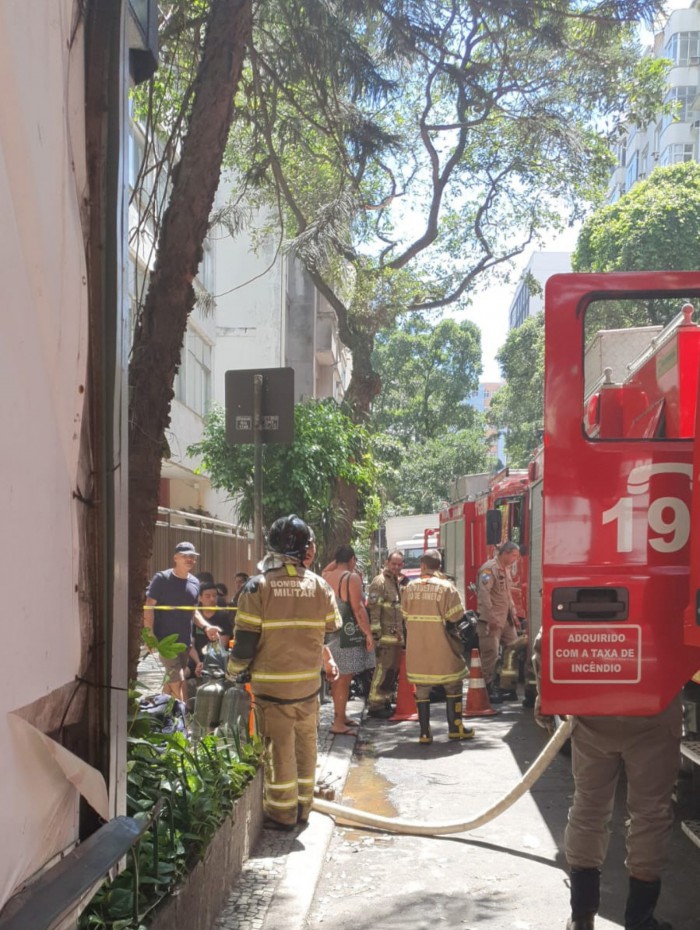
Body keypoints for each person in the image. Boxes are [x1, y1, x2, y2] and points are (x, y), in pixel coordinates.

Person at [226, 514, 340, 831]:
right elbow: (331, 629)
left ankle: (282, 813)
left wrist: (233, 671)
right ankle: (304, 807)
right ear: (305, 549)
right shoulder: (319, 585)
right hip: (308, 687)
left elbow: (245, 643)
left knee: (279, 754)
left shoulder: (256, 588)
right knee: (306, 747)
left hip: (272, 690)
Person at [402, 549, 474, 743]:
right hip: (443, 648)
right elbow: (456, 618)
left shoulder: (409, 588)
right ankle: (455, 728)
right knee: (453, 685)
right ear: (439, 567)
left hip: (417, 649)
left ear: (423, 566)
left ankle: (425, 733)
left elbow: (405, 616)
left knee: (422, 689)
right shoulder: (447, 588)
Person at [144, 541, 221, 702]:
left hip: (184, 642)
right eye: (185, 556)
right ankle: (183, 717)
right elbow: (148, 606)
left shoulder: (194, 582)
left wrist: (206, 627)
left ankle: (161, 715)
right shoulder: (162, 578)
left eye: (192, 556)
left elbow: (193, 612)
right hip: (165, 641)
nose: (189, 559)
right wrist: (149, 635)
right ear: (175, 558)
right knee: (177, 678)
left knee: (171, 683)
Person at [323, 546, 375, 735]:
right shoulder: (351, 578)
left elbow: (329, 567)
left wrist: (339, 560)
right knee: (343, 678)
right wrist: (368, 633)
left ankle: (341, 715)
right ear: (352, 559)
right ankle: (338, 722)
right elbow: (358, 609)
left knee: (339, 678)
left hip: (331, 633)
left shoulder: (326, 576)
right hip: (346, 634)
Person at [475, 540, 521, 704]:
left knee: (513, 649)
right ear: (506, 553)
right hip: (492, 621)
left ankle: (506, 687)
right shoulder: (489, 569)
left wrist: (514, 616)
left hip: (506, 619)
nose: (515, 559)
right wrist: (490, 618)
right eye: (514, 555)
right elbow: (484, 594)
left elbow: (507, 595)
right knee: (491, 655)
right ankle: (489, 688)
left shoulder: (505, 569)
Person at [366, 551, 405, 718]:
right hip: (385, 637)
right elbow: (374, 611)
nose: (396, 567)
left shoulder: (395, 581)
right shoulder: (379, 582)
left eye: (399, 564)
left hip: (395, 637)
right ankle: (375, 704)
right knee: (382, 670)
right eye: (393, 563)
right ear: (387, 562)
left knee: (391, 672)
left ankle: (385, 699)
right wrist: (376, 636)